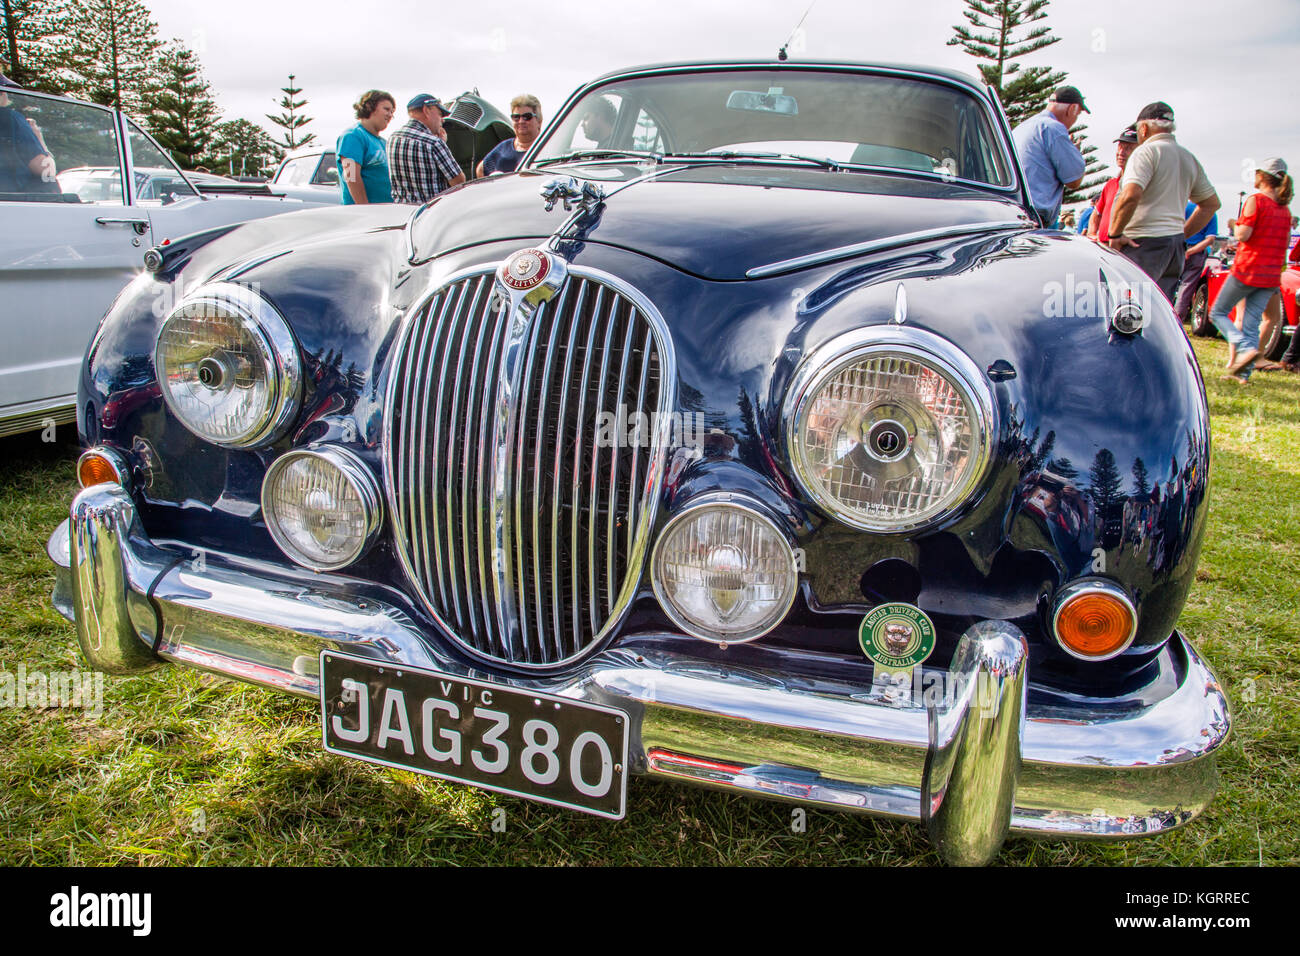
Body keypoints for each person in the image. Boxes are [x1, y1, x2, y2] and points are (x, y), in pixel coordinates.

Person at [1107, 102, 1220, 303]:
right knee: (1157, 309)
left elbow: (1131, 195)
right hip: (1173, 247)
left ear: (1143, 128)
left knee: (1127, 306)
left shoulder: (1145, 152)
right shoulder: (1187, 157)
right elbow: (1211, 203)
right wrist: (1181, 233)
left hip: (1142, 243)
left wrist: (1115, 234)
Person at [1208, 158, 1293, 383]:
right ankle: (1242, 375)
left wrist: (1233, 224)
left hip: (1248, 268)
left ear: (1262, 176)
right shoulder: (1285, 210)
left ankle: (1244, 348)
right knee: (1252, 322)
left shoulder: (1255, 201)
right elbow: (1285, 244)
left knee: (1217, 312)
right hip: (1271, 274)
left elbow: (1242, 235)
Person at [1011, 85, 1088, 227]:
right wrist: (1074, 153)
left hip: (1014, 209)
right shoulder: (1053, 128)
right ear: (1072, 109)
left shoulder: (1025, 125)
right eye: (1077, 115)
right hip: (1035, 217)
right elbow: (1074, 181)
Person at [387, 93, 466, 204]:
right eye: (440, 114)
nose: (442, 120)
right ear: (426, 110)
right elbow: (459, 181)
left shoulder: (393, 138)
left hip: (402, 211)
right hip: (429, 213)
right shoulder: (433, 143)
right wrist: (443, 145)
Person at [336, 90, 395, 205]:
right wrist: (364, 207)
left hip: (386, 212)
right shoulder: (352, 136)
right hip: (364, 215)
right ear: (369, 107)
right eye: (386, 109)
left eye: (392, 112)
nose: (390, 115)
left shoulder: (383, 142)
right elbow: (351, 176)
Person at [0, 74, 56, 192]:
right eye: (5, 91)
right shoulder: (10, 118)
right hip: (12, 201)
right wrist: (39, 139)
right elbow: (46, 170)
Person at [1088, 126, 1138, 244]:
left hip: (1125, 248)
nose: (1121, 152)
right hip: (1104, 247)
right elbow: (1096, 214)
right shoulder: (1111, 184)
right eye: (1120, 147)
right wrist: (1092, 234)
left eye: (1128, 148)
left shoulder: (1138, 186)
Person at [1172, 199, 1219, 323]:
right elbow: (1210, 239)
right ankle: (1176, 322)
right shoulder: (1210, 213)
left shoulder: (1181, 206)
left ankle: (1161, 317)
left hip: (1176, 248)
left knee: (1169, 283)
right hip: (1196, 254)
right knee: (1186, 288)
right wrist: (1191, 252)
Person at [476, 94, 541, 177]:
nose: (521, 121)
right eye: (516, 117)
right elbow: (481, 169)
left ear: (539, 120)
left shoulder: (546, 148)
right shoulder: (503, 149)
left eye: (527, 117)